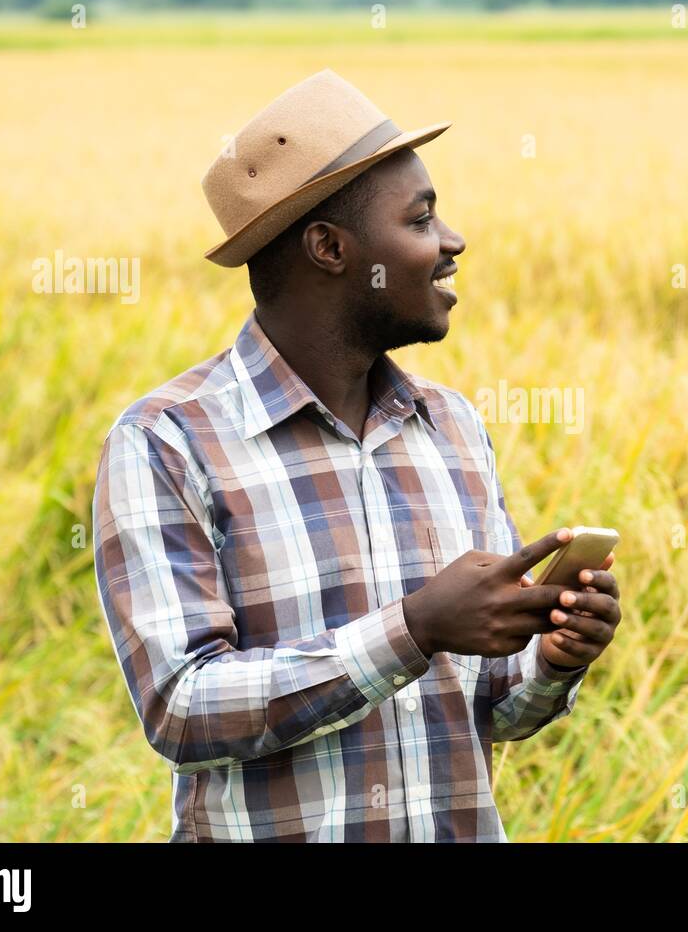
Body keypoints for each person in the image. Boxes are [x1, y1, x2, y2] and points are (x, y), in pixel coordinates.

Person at [91, 69, 622, 841]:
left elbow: (495, 710)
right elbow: (181, 709)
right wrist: (413, 628)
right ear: (331, 248)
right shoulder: (168, 442)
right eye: (421, 219)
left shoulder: (452, 428)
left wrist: (555, 656)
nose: (452, 241)